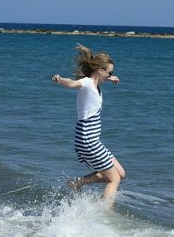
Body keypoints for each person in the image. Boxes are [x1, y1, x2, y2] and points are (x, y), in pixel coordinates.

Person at [52, 43, 125, 204]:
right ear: (100, 70)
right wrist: (60, 80)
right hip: (87, 141)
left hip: (92, 140)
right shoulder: (86, 83)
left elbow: (98, 79)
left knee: (120, 173)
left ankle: (76, 183)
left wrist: (110, 78)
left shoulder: (96, 84)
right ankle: (104, 212)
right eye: (110, 72)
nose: (111, 75)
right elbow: (72, 83)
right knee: (114, 180)